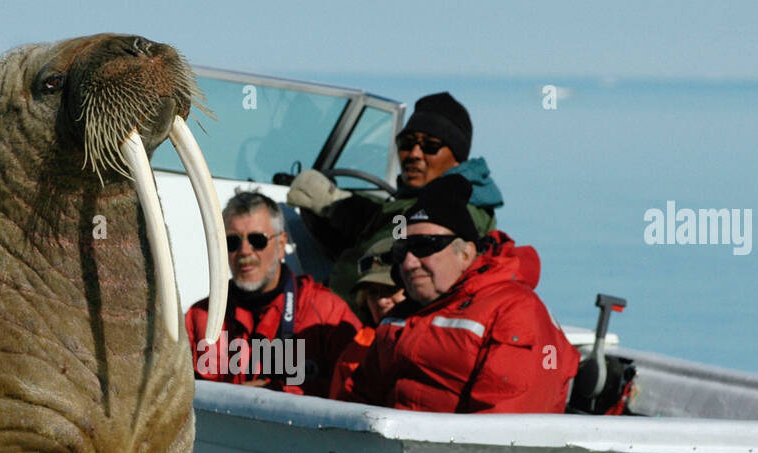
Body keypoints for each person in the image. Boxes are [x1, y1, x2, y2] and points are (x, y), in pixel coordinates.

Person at [336, 174, 579, 413]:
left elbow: (507, 432)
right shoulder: (400, 318)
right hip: (398, 449)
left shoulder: (515, 311)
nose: (409, 263)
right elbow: (358, 402)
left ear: (465, 253)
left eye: (424, 246)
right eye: (402, 251)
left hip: (454, 451)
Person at [287, 91, 504, 307]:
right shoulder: (413, 200)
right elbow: (394, 226)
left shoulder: (457, 210)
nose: (414, 154)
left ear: (457, 158)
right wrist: (341, 207)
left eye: (430, 146)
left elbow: (394, 248)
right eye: (407, 143)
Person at [185, 190, 360, 398]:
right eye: (232, 242)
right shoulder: (200, 317)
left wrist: (273, 394)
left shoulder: (328, 313)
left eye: (257, 240)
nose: (245, 251)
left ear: (281, 244)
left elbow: (356, 394)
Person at [328, 254, 404, 399]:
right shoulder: (354, 352)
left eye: (391, 289)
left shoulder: (439, 339)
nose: (381, 302)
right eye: (373, 293)